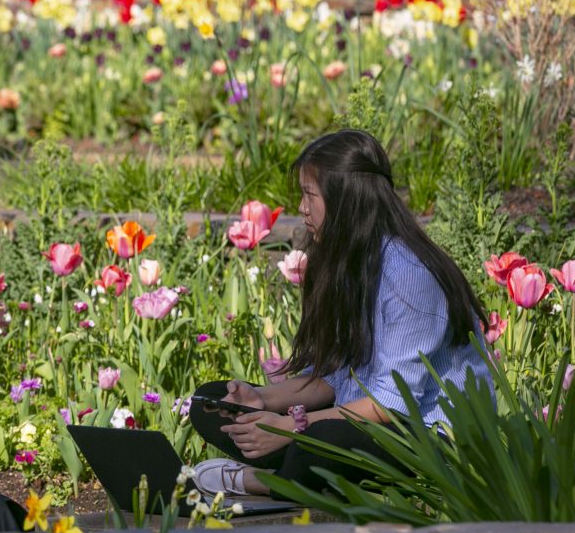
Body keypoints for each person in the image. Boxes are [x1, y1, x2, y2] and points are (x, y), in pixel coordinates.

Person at [190, 129, 495, 497]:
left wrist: (290, 428)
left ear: (347, 201)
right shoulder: (346, 260)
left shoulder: (409, 276)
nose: (301, 208)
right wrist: (262, 402)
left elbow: (393, 404)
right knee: (213, 403)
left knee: (324, 437)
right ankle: (303, 473)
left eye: (310, 195)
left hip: (431, 439)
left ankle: (263, 483)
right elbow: (334, 376)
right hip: (361, 421)